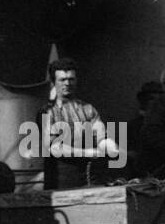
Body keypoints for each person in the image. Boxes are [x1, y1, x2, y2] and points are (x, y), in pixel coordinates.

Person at [38, 58, 120, 190]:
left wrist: (109, 145)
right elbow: (54, 148)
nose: (67, 83)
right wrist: (88, 152)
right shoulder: (47, 112)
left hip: (89, 180)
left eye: (71, 79)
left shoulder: (88, 109)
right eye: (62, 80)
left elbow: (101, 136)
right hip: (60, 184)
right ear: (54, 82)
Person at [124, 80, 165, 179]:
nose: (156, 103)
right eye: (151, 99)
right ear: (143, 100)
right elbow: (123, 158)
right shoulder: (132, 126)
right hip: (140, 179)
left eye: (160, 100)